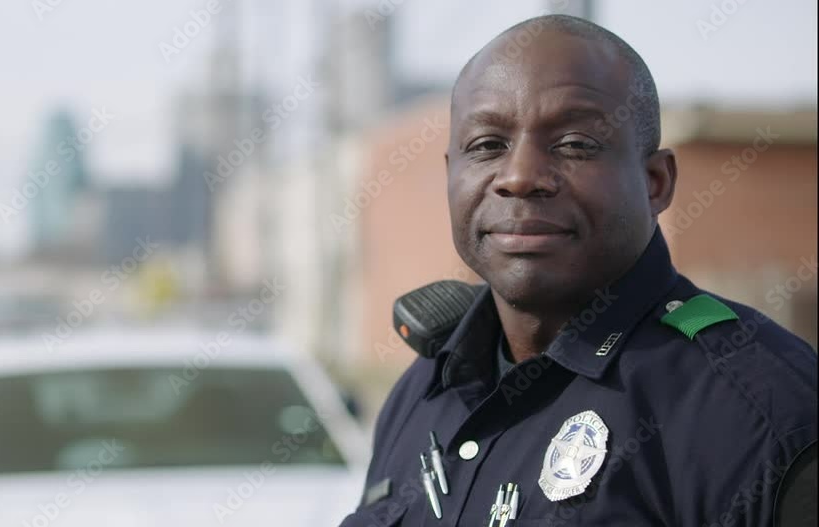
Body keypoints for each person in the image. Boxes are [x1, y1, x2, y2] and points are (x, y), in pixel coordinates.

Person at [339, 14, 817, 527]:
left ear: (655, 182)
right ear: (450, 175)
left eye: (574, 145)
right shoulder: (422, 390)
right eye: (486, 146)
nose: (520, 177)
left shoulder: (756, 411)